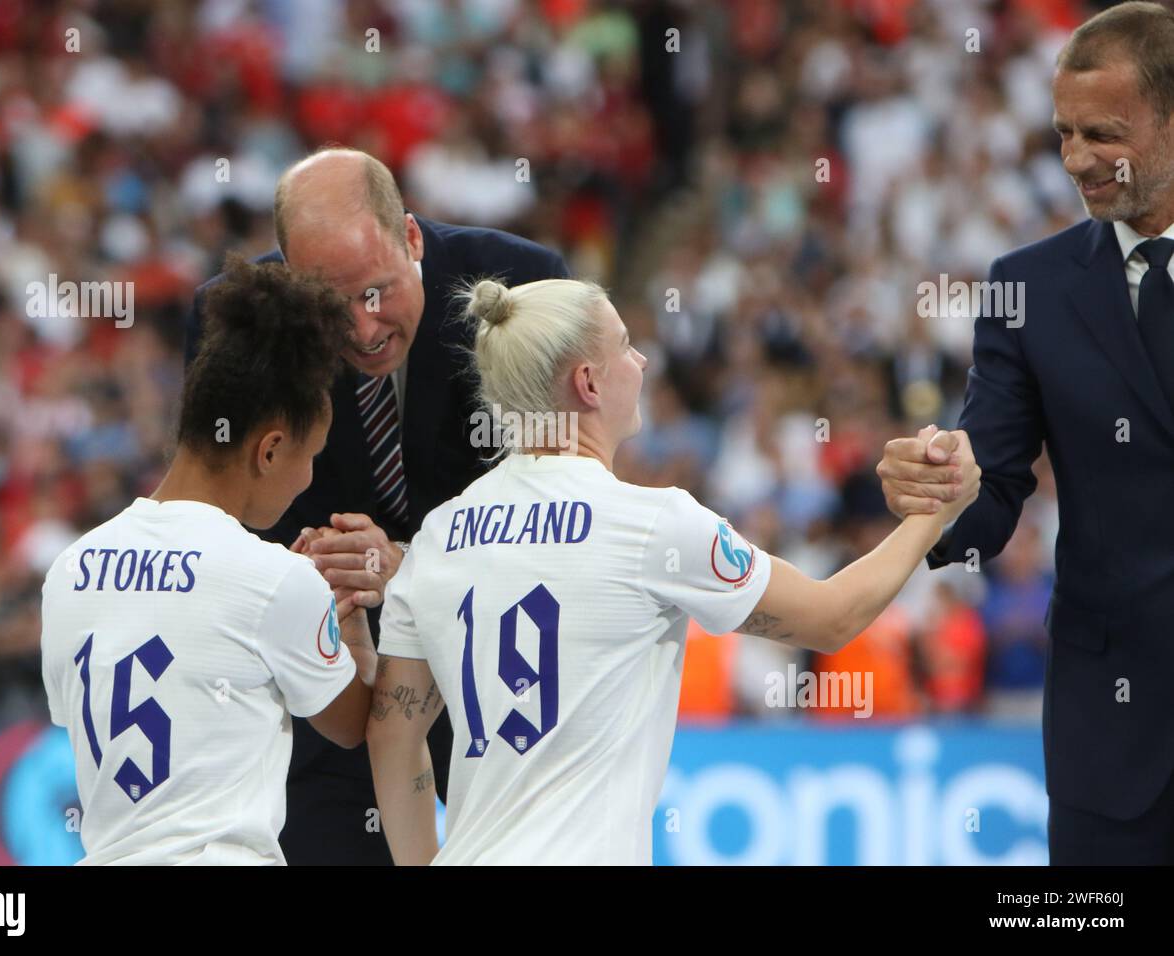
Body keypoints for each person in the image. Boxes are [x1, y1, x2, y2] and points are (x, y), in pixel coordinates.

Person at [365, 277, 981, 865]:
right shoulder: (653, 524)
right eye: (627, 347)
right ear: (588, 382)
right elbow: (832, 618)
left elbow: (393, 735)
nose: (643, 362)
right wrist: (936, 515)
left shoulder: (438, 535)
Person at [185, 146, 569, 864]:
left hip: (492, 660)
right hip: (328, 673)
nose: (363, 330)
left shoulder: (524, 286)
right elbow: (226, 514)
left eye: (377, 292)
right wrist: (306, 571)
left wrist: (413, 567)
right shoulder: (235, 320)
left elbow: (563, 515)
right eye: (330, 306)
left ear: (412, 239)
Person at [876, 1, 1174, 865]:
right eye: (1063, 133)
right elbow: (990, 493)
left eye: (1102, 133)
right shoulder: (1027, 289)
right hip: (1110, 742)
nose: (1077, 158)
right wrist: (937, 488)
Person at [41, 256, 378, 865]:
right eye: (314, 457)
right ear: (271, 449)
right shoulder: (275, 578)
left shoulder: (68, 570)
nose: (309, 479)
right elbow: (354, 725)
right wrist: (346, 620)